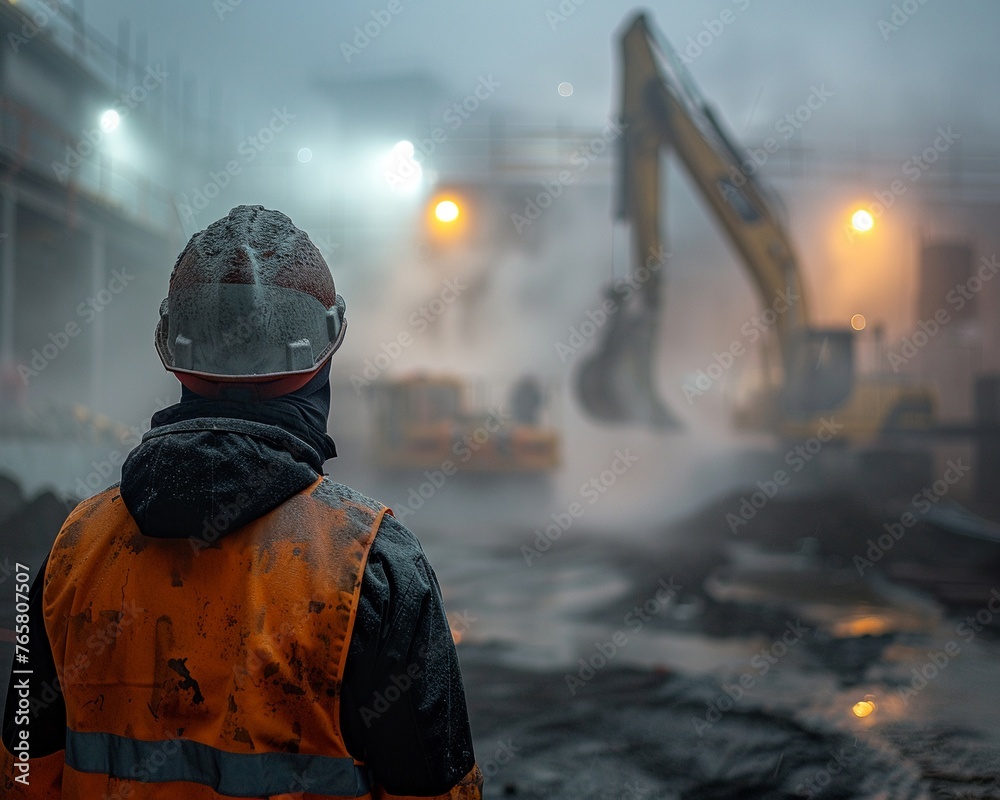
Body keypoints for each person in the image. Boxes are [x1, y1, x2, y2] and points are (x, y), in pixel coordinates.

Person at [1, 205, 483, 799]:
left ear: (173, 348)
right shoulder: (373, 569)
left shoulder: (73, 548)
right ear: (324, 351)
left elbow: (21, 771)